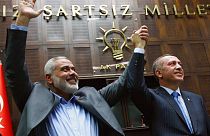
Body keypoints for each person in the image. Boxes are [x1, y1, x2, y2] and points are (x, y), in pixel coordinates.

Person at [5, 0, 149, 136]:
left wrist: (139, 48)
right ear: (49, 78)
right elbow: (15, 70)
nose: (73, 73)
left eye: (73, 69)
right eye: (65, 69)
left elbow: (123, 82)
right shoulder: (34, 99)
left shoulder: (92, 98)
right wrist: (22, 20)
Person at [131, 53, 210, 134]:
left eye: (180, 64)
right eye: (172, 64)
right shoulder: (151, 97)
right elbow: (134, 85)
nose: (179, 67)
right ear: (159, 73)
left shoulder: (196, 99)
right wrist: (139, 49)